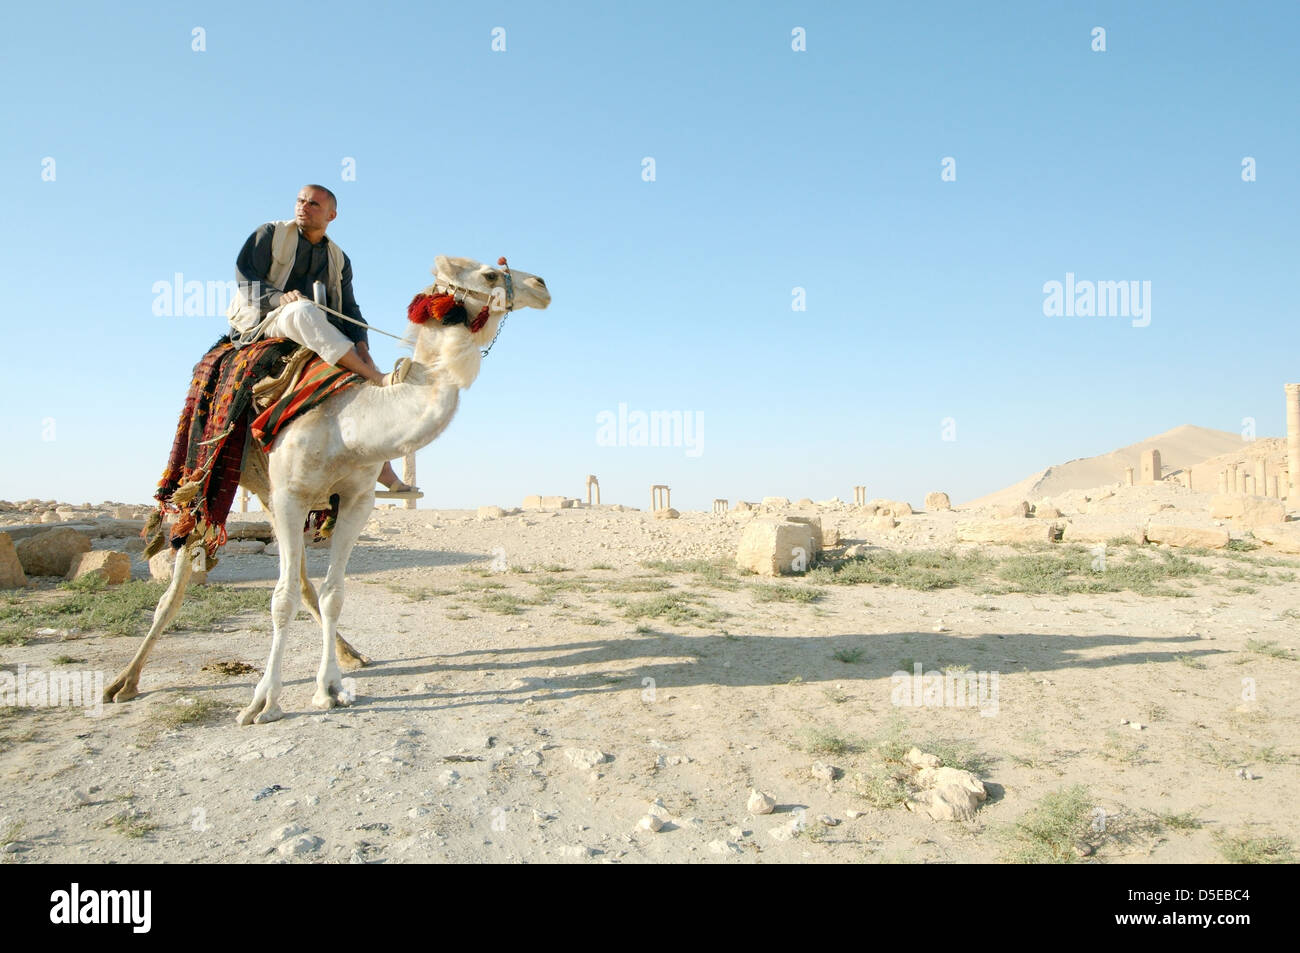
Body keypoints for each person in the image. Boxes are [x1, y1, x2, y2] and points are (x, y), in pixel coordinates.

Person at [229, 184, 416, 492]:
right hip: (265, 321)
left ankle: (383, 467)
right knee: (302, 311)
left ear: (332, 214)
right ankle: (376, 376)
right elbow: (245, 280)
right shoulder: (270, 234)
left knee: (358, 380)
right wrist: (279, 299)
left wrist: (362, 344)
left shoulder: (339, 259)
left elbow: (350, 308)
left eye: (313, 204)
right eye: (300, 200)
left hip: (317, 329)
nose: (303, 206)